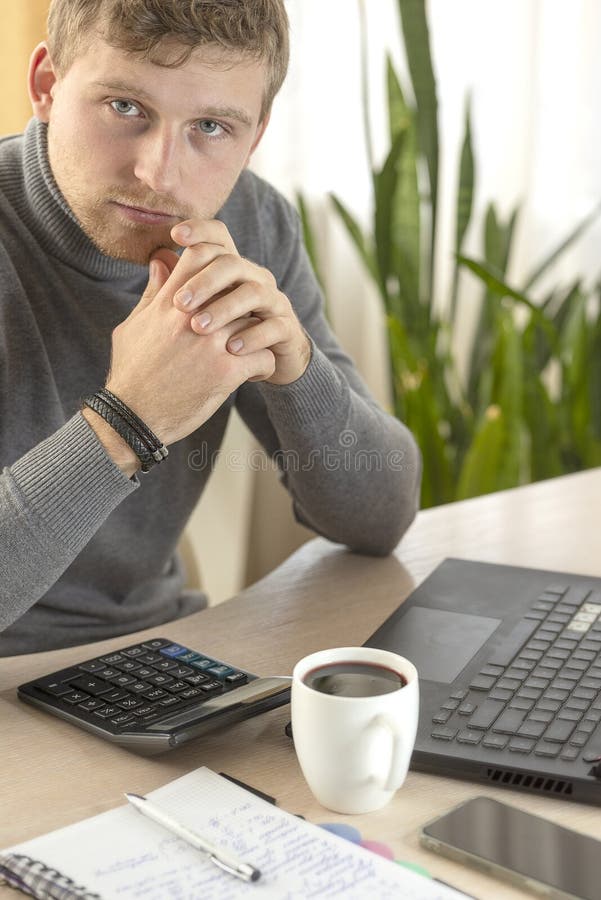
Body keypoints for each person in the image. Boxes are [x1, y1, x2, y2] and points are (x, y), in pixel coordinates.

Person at [0, 0, 421, 656]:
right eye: (124, 107)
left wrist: (297, 369)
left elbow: (381, 519)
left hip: (156, 651)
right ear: (47, 85)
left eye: (210, 126)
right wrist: (126, 422)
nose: (159, 175)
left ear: (254, 135)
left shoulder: (252, 224)